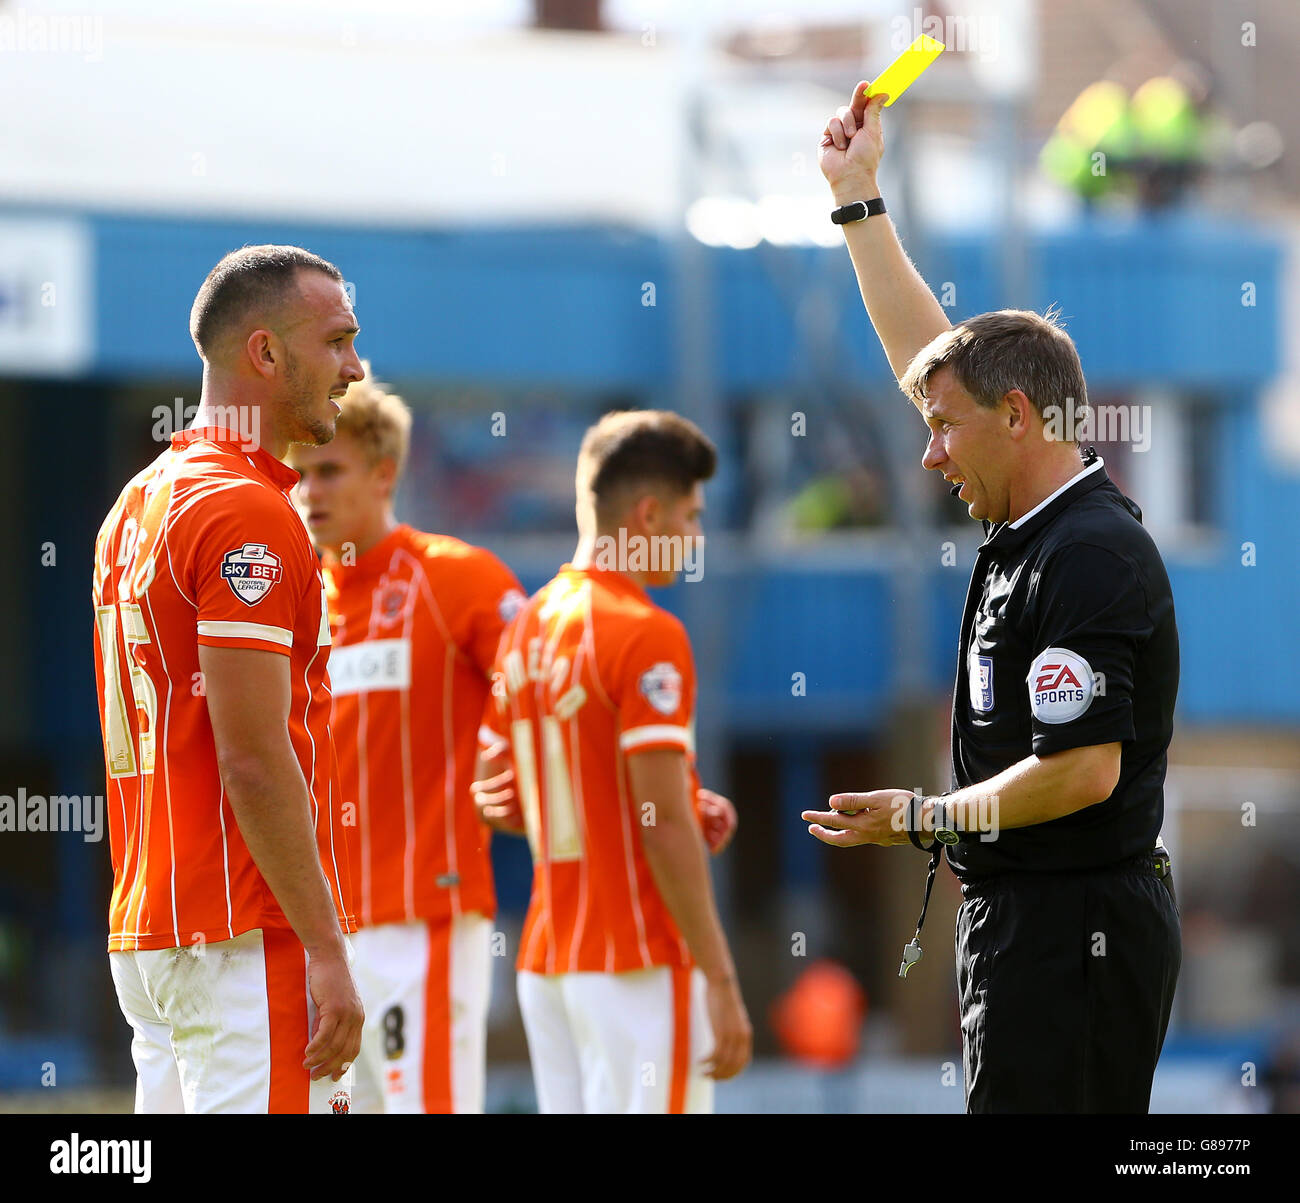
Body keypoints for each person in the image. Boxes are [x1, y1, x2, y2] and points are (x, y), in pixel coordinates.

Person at [803, 87, 1182, 1113]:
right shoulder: (1030, 521)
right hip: (1027, 922)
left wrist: (926, 816)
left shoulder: (1090, 554)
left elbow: (1080, 773)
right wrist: (857, 200)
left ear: (1017, 417)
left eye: (943, 431)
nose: (926, 454)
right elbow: (927, 366)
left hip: (1078, 935)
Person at [92, 244, 365, 1113]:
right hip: (244, 932)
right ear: (267, 353)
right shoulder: (246, 509)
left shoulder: (136, 502)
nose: (356, 369)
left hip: (154, 931)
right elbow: (251, 754)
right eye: (339, 341)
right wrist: (325, 946)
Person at [472, 410, 751, 1113]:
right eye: (690, 518)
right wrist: (720, 977)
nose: (695, 539)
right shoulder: (647, 634)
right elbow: (661, 829)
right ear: (648, 514)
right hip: (636, 960)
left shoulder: (527, 624)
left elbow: (494, 796)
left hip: (548, 959)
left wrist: (668, 804)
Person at [288, 369, 525, 1113]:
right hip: (320, 934)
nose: (307, 492)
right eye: (296, 474)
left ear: (384, 472)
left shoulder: (457, 578)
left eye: (328, 470)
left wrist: (511, 764)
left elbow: (540, 688)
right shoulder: (291, 606)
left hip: (429, 915)